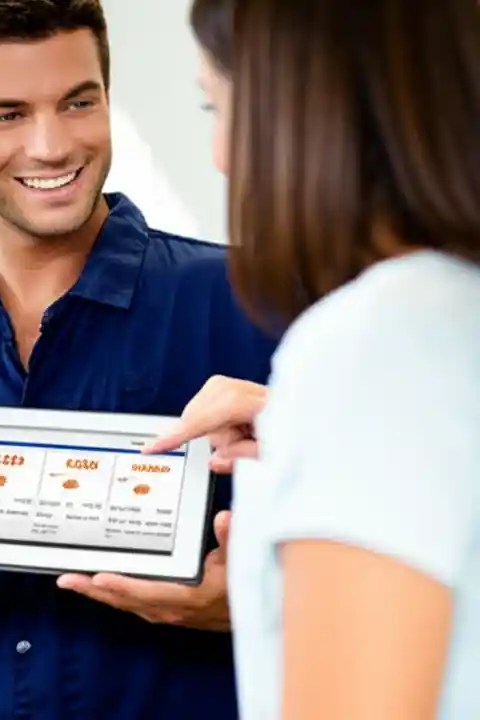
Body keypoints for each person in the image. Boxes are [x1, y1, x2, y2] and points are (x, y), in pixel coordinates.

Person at [0, 1, 279, 717]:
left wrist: (252, 599)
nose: (52, 146)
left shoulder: (253, 305)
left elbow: (399, 560)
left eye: (78, 102)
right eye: (7, 114)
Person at [144, 0, 480, 717]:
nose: (222, 155)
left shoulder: (369, 347)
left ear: (296, 114)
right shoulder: (445, 319)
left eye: (216, 107)